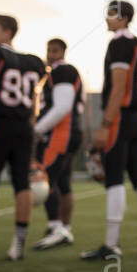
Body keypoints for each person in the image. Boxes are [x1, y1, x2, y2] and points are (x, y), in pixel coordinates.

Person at [81, 0, 137, 261]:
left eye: (112, 14)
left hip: (121, 118)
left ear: (124, 17)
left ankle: (111, 244)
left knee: (114, 180)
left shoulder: (120, 42)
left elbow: (118, 87)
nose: (107, 18)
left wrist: (105, 124)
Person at [0, 14, 45, 261]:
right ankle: (18, 244)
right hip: (24, 126)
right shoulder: (33, 62)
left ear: (7, 32)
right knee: (22, 183)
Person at [33, 37, 84, 250]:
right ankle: (64, 228)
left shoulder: (63, 71)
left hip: (60, 134)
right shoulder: (60, 73)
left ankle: (57, 228)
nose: (50, 54)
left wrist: (38, 129)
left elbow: (62, 107)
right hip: (68, 133)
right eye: (49, 50)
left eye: (55, 51)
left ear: (63, 52)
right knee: (63, 183)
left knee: (45, 181)